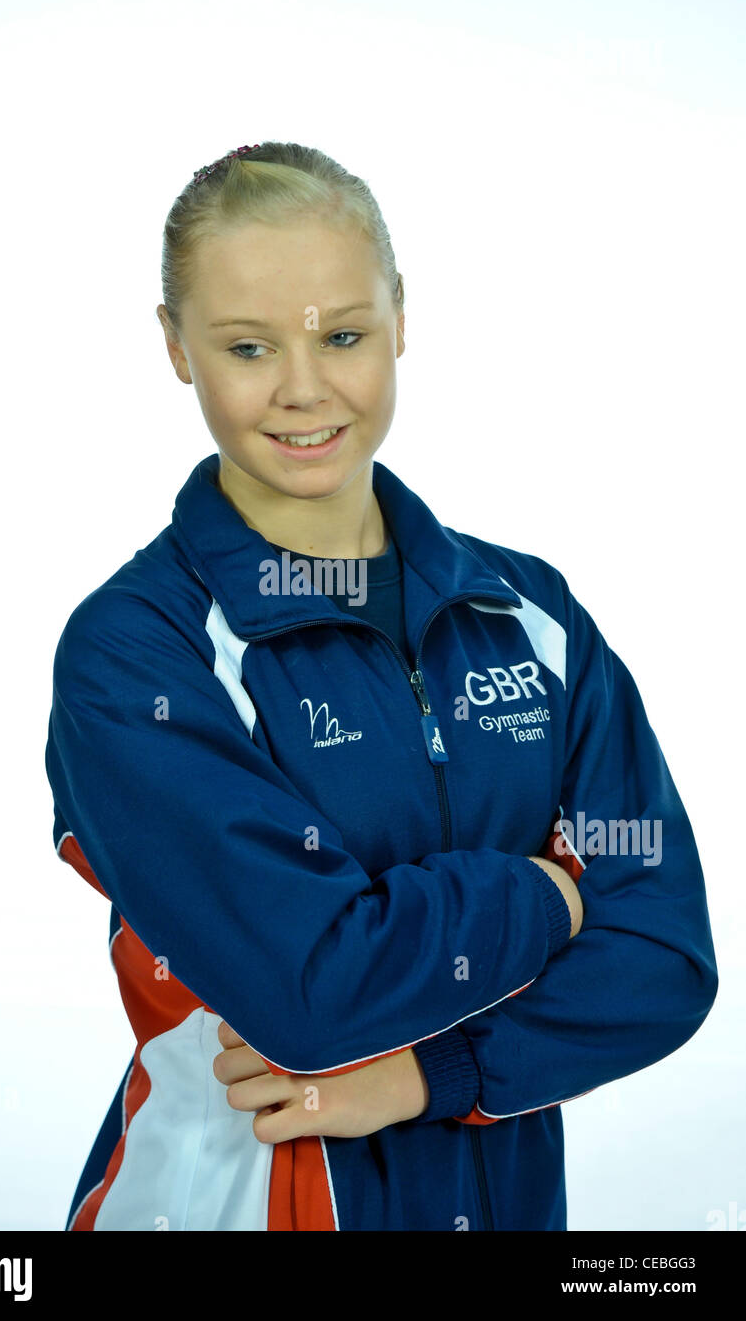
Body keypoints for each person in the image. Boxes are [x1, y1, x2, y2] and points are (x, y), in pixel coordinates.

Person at [44, 140, 718, 1232]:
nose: (304, 388)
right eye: (247, 345)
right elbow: (314, 992)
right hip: (235, 1199)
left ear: (402, 317)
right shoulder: (136, 653)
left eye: (344, 334)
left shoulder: (527, 614)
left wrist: (427, 1073)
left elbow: (664, 949)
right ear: (175, 346)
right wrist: (551, 891)